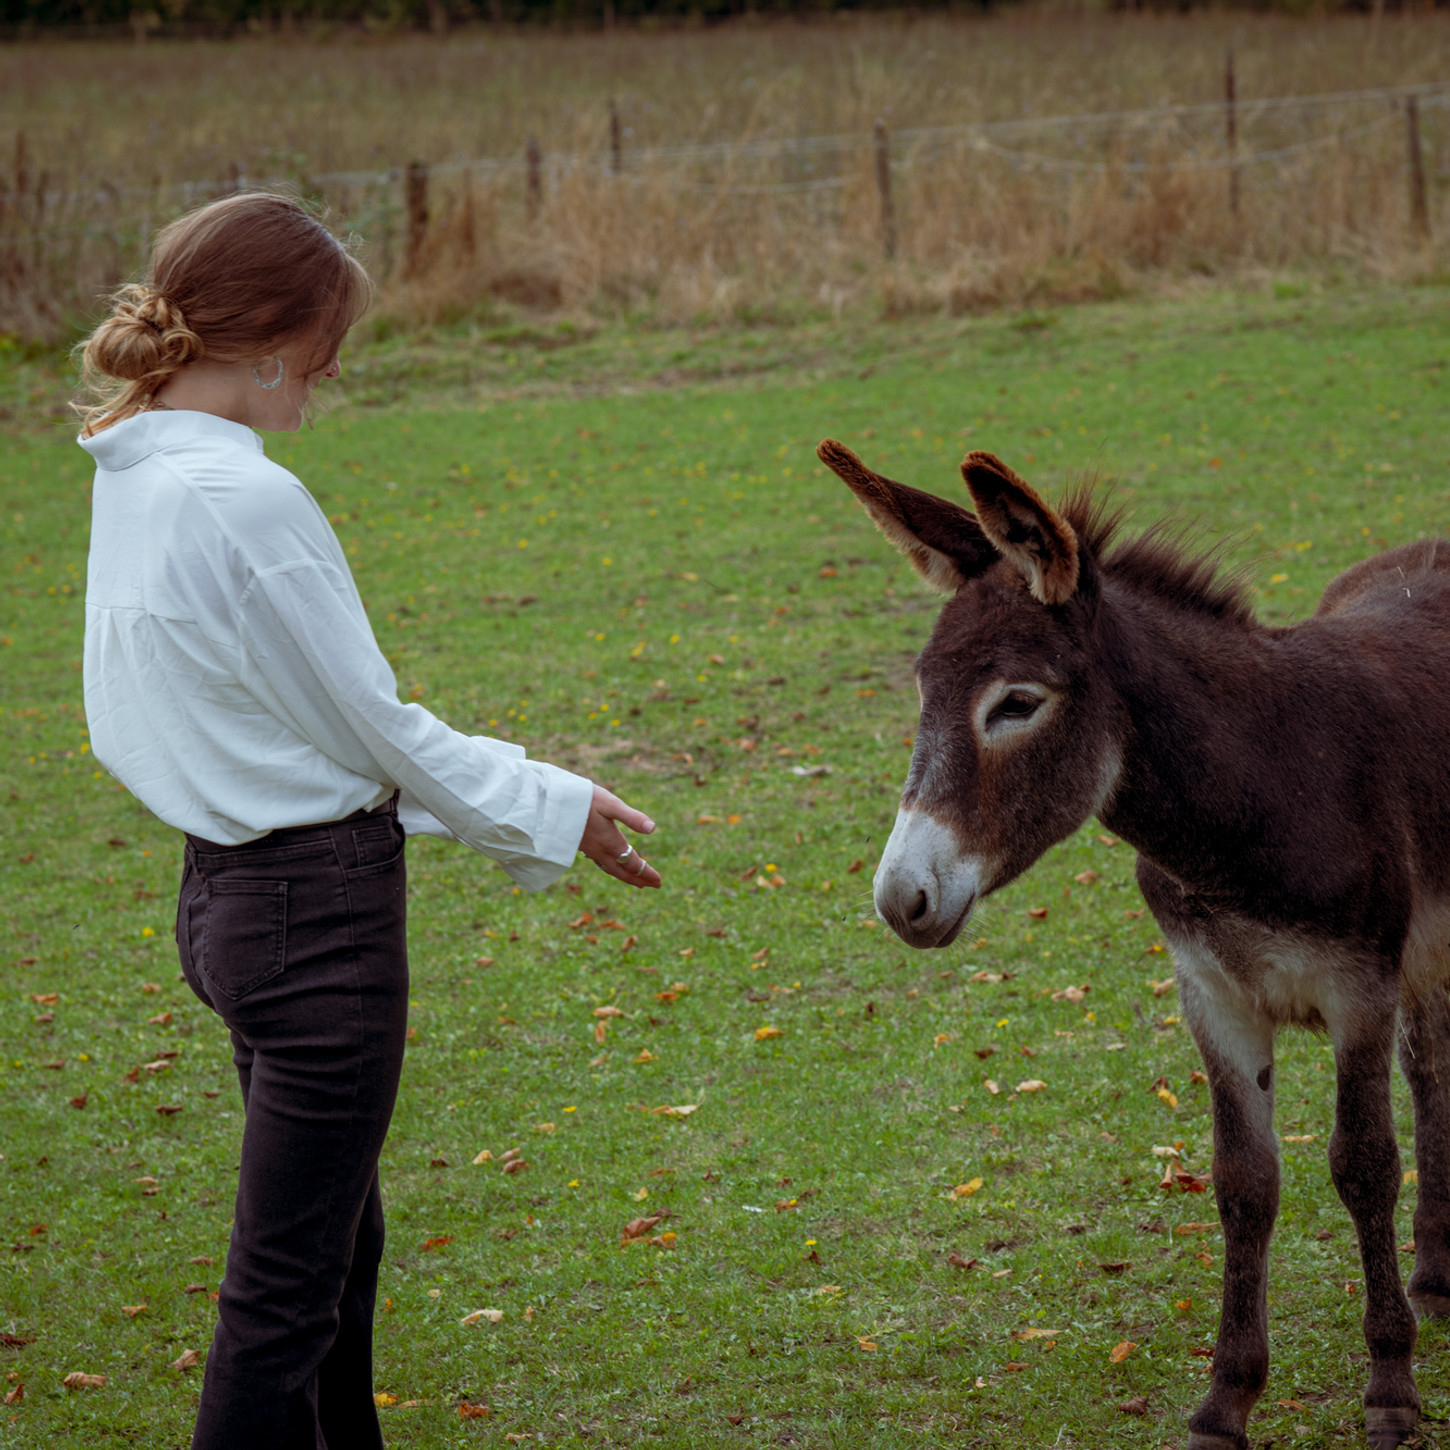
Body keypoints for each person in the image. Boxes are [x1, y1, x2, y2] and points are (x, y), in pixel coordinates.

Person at [76, 191, 660, 1450]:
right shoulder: (241, 500)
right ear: (270, 339)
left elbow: (263, 725)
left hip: (226, 902)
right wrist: (553, 803)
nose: (335, 368)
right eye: (329, 340)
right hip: (313, 924)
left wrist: (530, 803)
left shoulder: (136, 472)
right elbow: (369, 729)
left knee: (336, 1247)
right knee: (283, 1299)